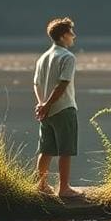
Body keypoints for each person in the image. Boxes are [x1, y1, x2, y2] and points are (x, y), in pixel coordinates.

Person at [33, 16, 83, 198]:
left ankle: (41, 186)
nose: (74, 36)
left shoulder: (43, 57)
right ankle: (64, 189)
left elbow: (36, 84)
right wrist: (46, 104)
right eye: (71, 33)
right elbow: (62, 84)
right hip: (63, 109)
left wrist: (41, 104)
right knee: (65, 150)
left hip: (46, 112)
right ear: (63, 36)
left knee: (45, 150)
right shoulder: (67, 57)